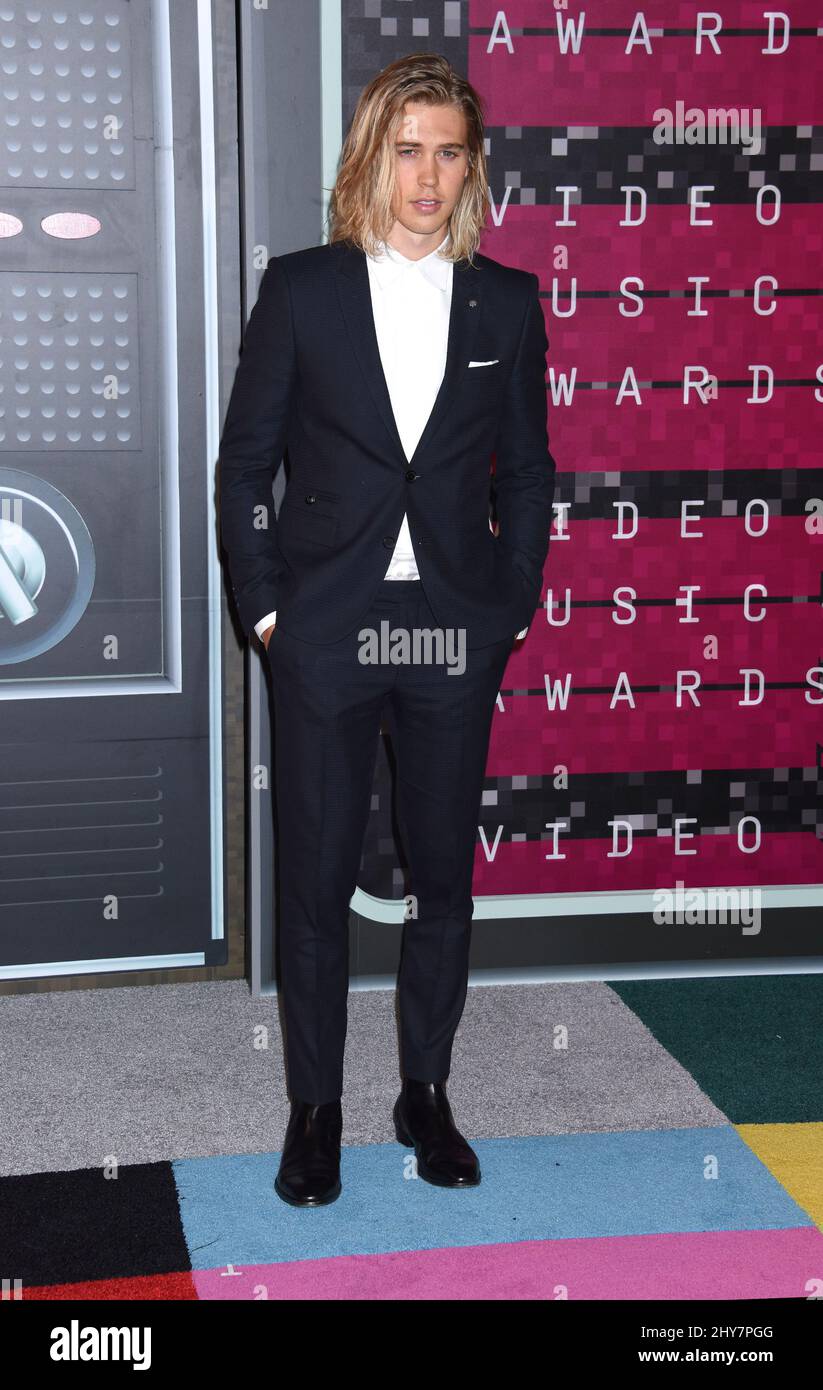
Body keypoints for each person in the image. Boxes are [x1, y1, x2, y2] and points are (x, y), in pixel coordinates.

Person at [218, 52, 556, 1207]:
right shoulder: (305, 288)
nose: (426, 174)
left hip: (452, 626)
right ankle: (315, 1111)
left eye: (447, 150)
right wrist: (267, 613)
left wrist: (507, 605)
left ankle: (427, 1096)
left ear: (471, 166)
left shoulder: (505, 302)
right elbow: (244, 465)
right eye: (406, 148)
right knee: (314, 884)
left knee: (442, 878)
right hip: (327, 623)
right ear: (373, 157)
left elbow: (531, 471)